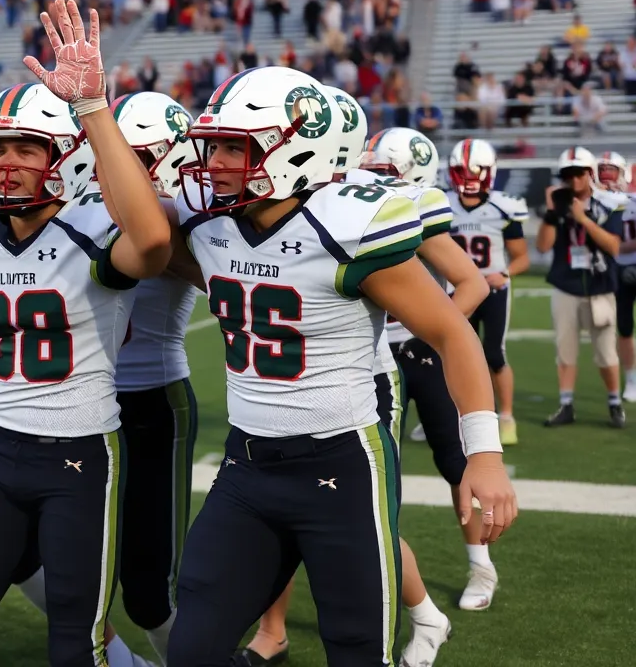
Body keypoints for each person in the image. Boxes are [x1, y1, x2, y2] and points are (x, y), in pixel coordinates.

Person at [162, 67, 516, 667]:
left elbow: (452, 331)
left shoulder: (347, 226)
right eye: (214, 145)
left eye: (234, 147)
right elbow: (147, 234)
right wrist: (93, 107)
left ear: (296, 149)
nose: (215, 162)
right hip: (246, 463)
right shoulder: (211, 221)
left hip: (341, 463)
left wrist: (483, 453)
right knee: (192, 647)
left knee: (355, 650)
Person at [0, 0, 173, 667]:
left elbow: (151, 241)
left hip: (80, 456)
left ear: (65, 157)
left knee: (73, 645)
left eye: (25, 146)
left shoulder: (91, 227)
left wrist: (93, 109)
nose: (5, 162)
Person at [0, 91, 200, 667]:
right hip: (74, 408)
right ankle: (125, 660)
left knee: (148, 591)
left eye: (137, 156)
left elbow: (225, 284)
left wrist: (139, 219)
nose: (118, 164)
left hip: (149, 403)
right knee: (19, 554)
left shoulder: (187, 213)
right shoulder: (73, 203)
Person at [447, 138, 530, 445]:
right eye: (462, 172)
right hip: (455, 291)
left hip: (492, 290)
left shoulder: (503, 206)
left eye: (475, 172)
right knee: (453, 355)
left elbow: (522, 257)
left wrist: (506, 272)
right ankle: (454, 417)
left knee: (494, 353)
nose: (468, 179)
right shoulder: (440, 205)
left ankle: (506, 416)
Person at [538, 147, 625, 428]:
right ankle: (566, 405)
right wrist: (552, 214)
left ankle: (614, 402)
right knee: (565, 350)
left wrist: (583, 219)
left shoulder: (609, 202)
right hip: (566, 284)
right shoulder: (559, 203)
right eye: (568, 175)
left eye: (578, 174)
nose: (574, 181)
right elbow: (542, 245)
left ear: (590, 173)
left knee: (606, 352)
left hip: (599, 285)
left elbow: (614, 246)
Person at [603, 153, 636, 403]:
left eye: (611, 171)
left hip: (627, 264)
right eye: (602, 171)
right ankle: (632, 379)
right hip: (616, 270)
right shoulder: (599, 204)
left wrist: (618, 247)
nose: (607, 177)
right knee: (624, 328)